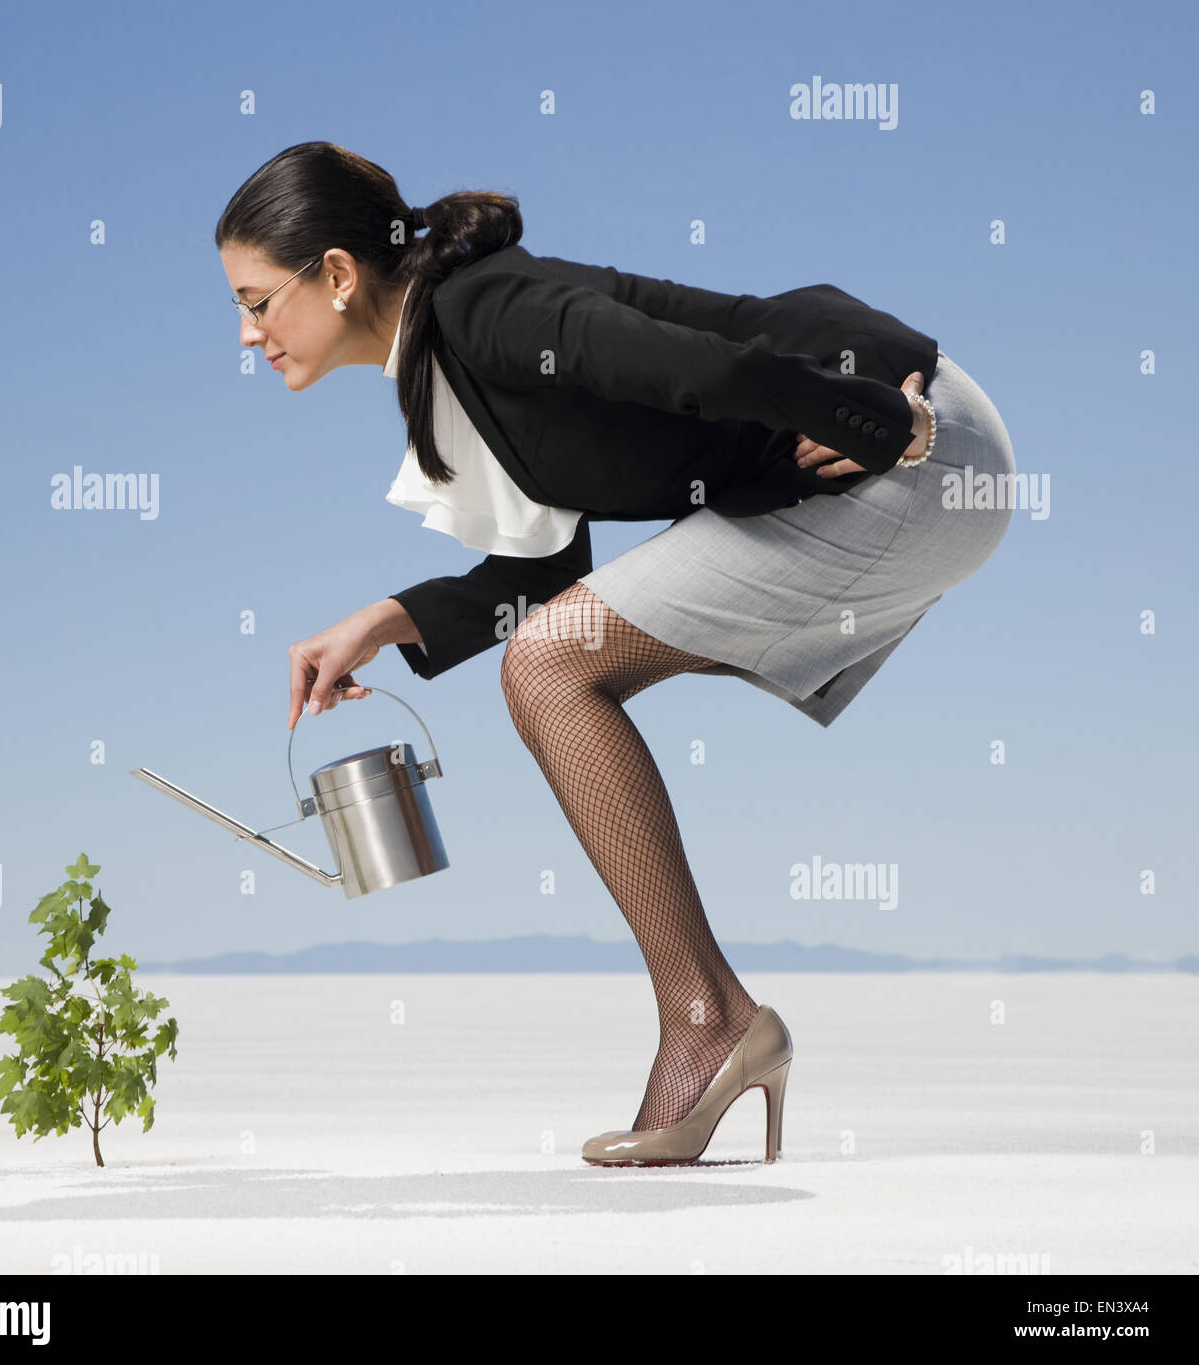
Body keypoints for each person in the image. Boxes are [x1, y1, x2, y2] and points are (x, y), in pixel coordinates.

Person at [216, 141, 1016, 1166]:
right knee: (556, 655)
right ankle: (714, 1016)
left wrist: (881, 422)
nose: (245, 335)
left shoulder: (486, 312)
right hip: (875, 447)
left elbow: (710, 370)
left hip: (913, 448)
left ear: (333, 274)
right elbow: (545, 578)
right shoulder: (441, 370)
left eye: (254, 300)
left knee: (550, 666)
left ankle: (708, 1020)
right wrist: (384, 620)